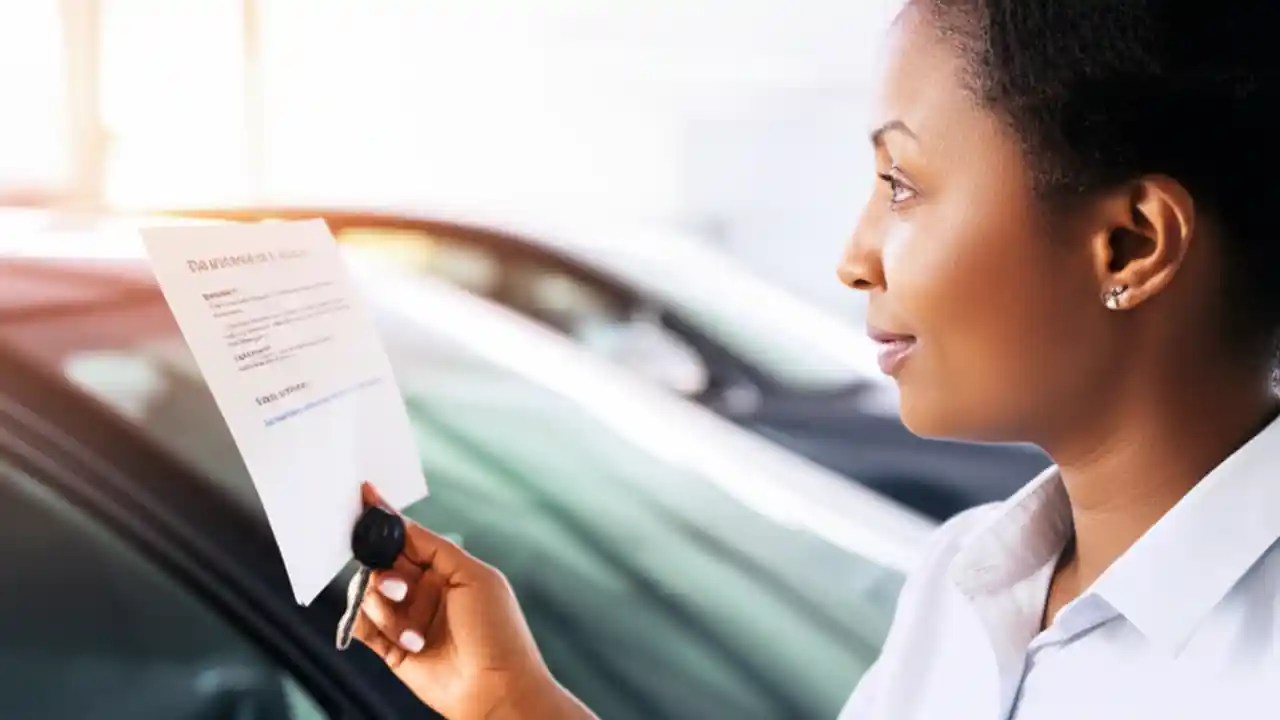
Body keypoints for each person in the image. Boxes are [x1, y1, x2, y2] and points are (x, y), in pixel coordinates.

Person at [353, 1, 1280, 717]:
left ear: (1129, 244)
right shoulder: (963, 582)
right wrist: (512, 705)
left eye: (902, 186)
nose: (854, 258)